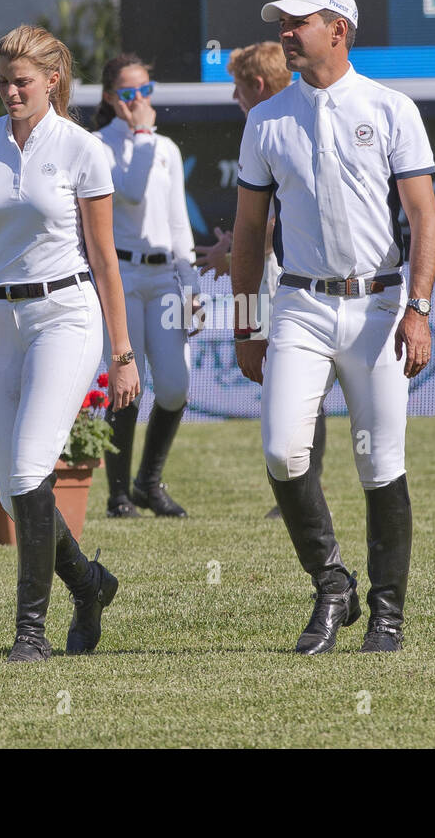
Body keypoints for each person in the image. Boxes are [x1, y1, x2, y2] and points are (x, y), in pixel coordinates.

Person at [232, 0, 435, 655]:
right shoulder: (266, 118)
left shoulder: (389, 107)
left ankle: (387, 615)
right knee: (282, 452)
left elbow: (422, 218)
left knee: (382, 463)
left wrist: (418, 308)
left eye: (300, 21)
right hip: (299, 303)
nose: (287, 32)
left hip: (380, 305)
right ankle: (331, 585)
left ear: (339, 29)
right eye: (284, 22)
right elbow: (246, 232)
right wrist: (245, 322)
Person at [0, 25, 140, 663]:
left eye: (23, 81)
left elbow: (105, 260)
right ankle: (89, 584)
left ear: (54, 82)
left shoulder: (82, 150)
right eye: (4, 82)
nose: (11, 91)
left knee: (27, 471)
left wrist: (122, 353)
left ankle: (31, 633)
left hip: (66, 315)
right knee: (18, 490)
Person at [194, 41, 327, 522]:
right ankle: (302, 485)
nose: (233, 97)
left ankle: (302, 488)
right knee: (300, 388)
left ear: (254, 84)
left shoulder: (277, 122)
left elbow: (280, 223)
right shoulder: (278, 121)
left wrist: (233, 252)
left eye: (236, 86)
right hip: (288, 274)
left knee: (298, 386)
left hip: (298, 279)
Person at [90, 54, 198, 518]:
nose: (140, 102)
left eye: (146, 92)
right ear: (112, 98)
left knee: (175, 386)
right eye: (130, 94)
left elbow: (178, 222)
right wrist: (141, 133)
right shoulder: (97, 145)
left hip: (164, 276)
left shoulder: (166, 149)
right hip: (122, 276)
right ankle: (118, 495)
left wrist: (191, 284)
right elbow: (129, 193)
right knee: (127, 384)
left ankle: (147, 482)